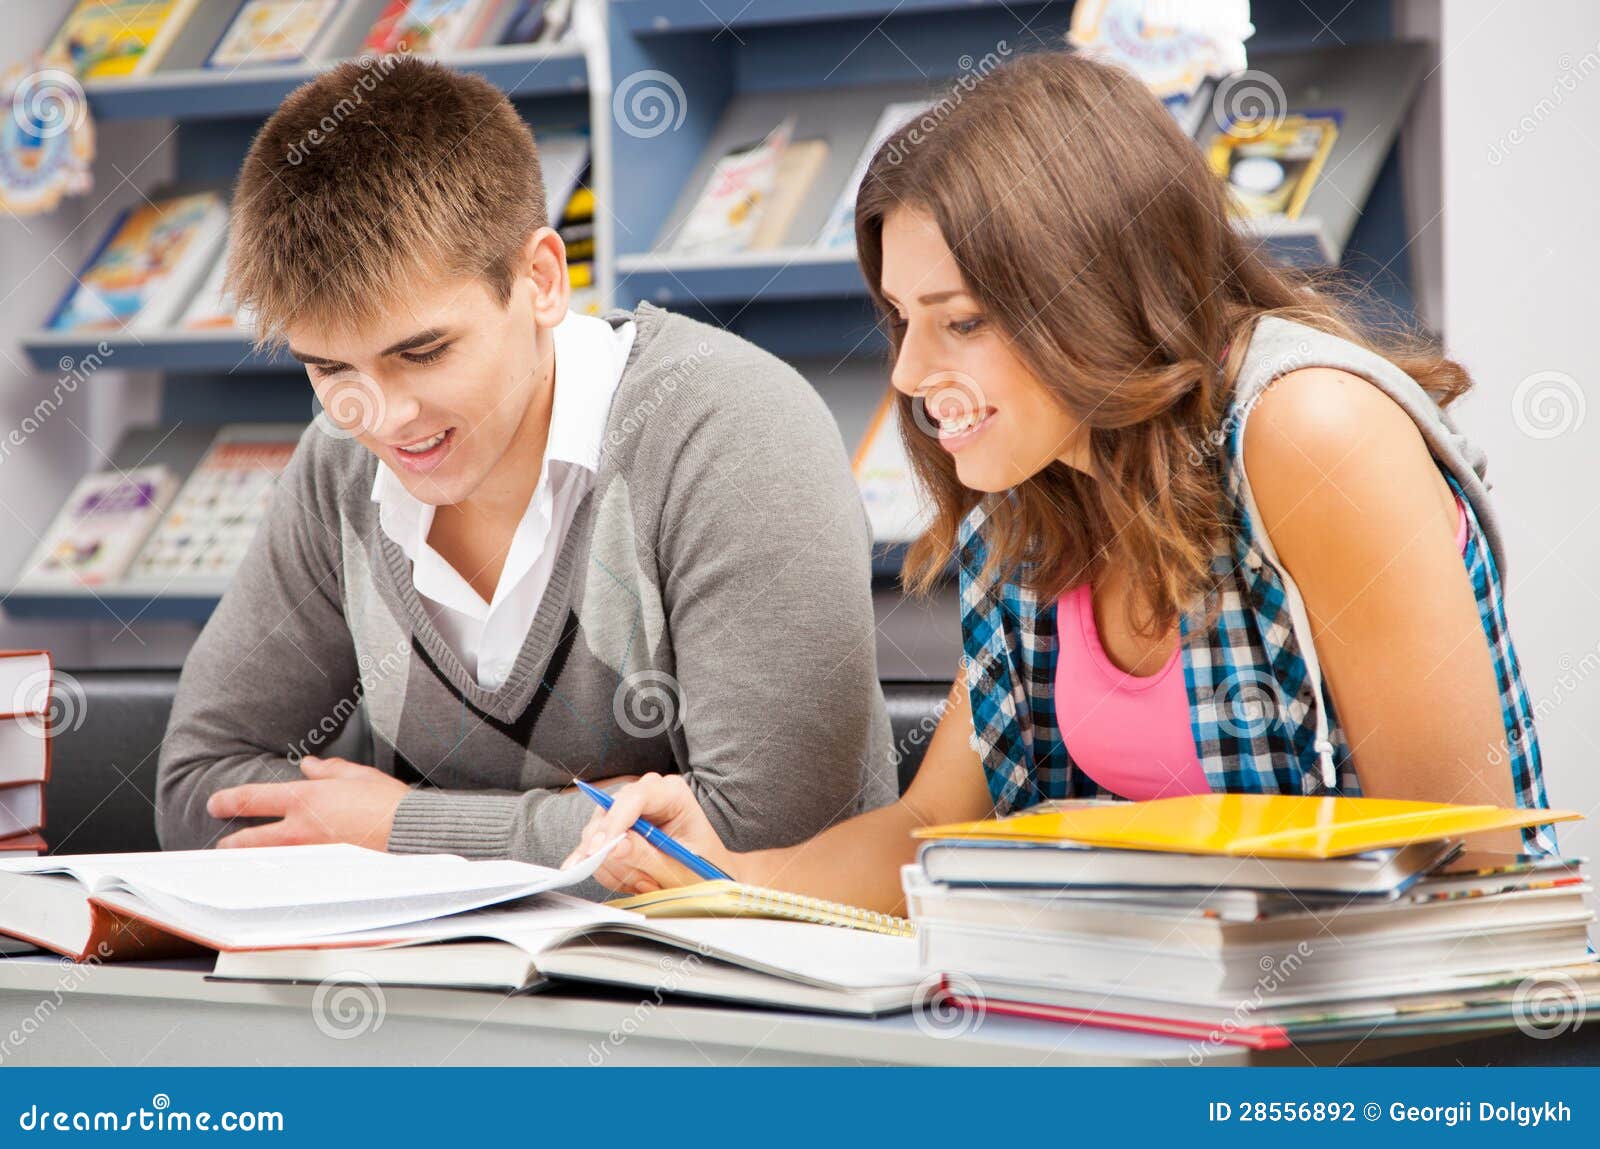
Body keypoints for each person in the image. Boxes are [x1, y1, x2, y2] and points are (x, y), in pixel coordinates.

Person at [571, 51, 1557, 913]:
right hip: (1156, 1017)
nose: (909, 374)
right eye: (901, 318)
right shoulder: (1030, 487)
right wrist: (724, 874)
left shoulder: (1308, 427)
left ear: (1089, 297)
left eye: (959, 321)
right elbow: (925, 826)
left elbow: (1465, 853)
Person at [155, 57, 895, 882]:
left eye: (424, 351)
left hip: (742, 1003)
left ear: (542, 280)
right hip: (465, 996)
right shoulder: (336, 464)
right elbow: (196, 791)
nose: (383, 416)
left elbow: (756, 841)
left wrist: (397, 823)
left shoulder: (731, 427)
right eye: (331, 370)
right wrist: (580, 824)